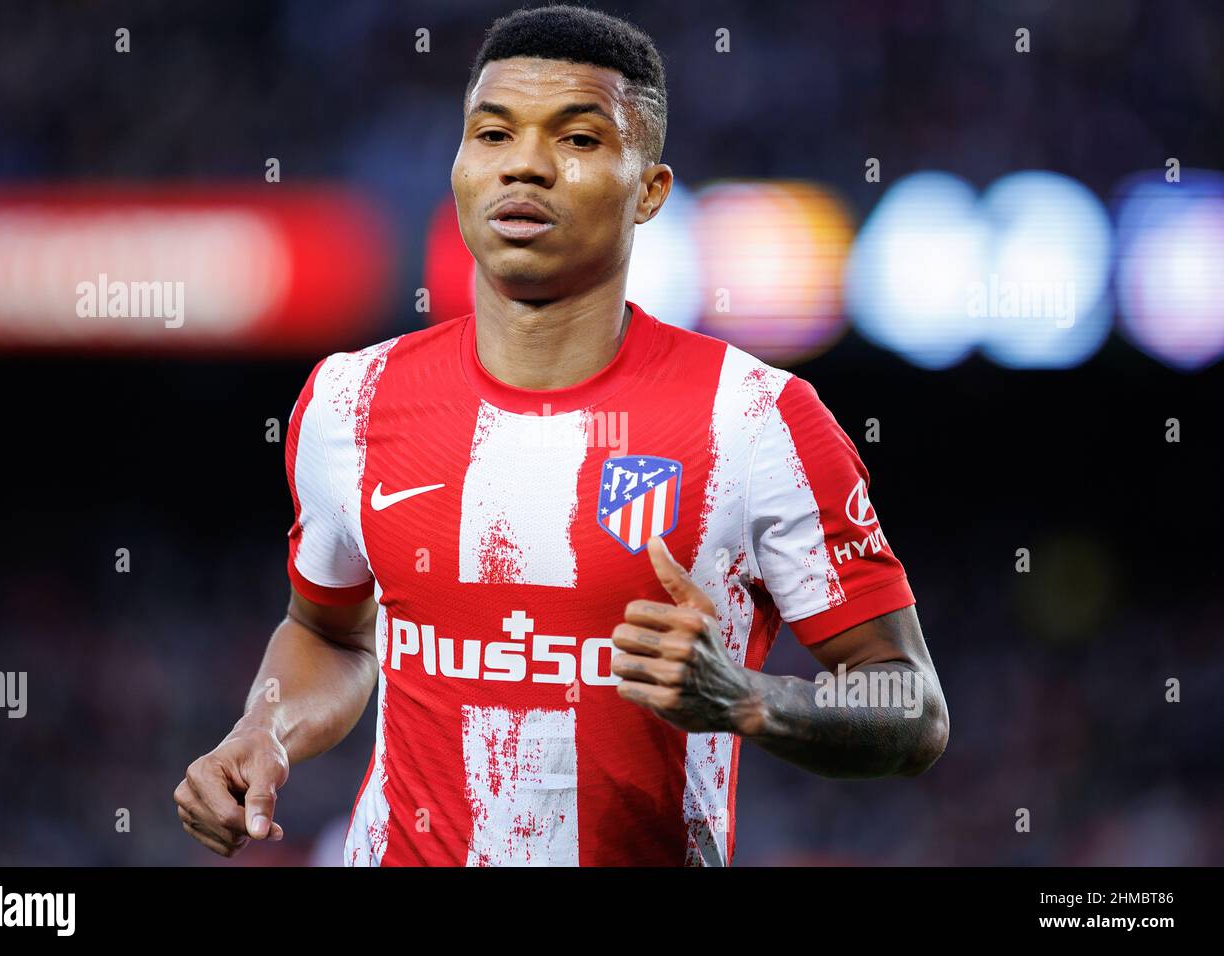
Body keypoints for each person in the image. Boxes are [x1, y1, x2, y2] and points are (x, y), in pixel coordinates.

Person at [175, 3, 948, 867]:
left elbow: (912, 710)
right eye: (493, 134)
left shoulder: (757, 420)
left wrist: (747, 699)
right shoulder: (351, 400)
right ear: (460, 165)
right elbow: (332, 633)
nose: (527, 166)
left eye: (578, 140)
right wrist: (264, 728)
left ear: (649, 190)